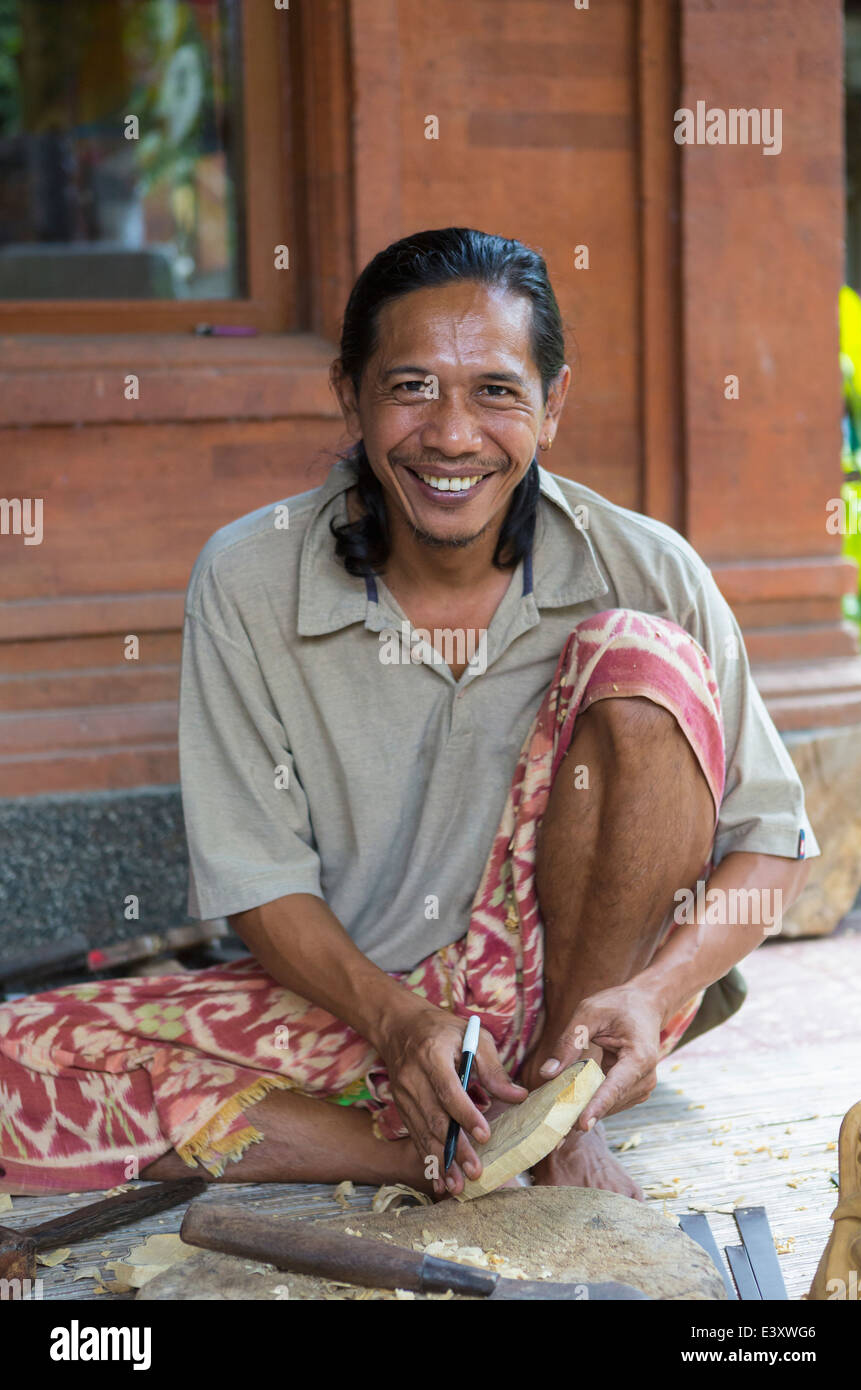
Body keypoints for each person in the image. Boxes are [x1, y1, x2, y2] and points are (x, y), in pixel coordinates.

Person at [0, 229, 817, 1199]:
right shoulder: (247, 579)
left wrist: (642, 995)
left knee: (639, 657)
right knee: (15, 1057)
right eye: (412, 387)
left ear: (552, 403)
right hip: (362, 1016)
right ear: (350, 393)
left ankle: (556, 1112)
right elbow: (260, 885)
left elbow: (771, 844)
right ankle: (447, 1151)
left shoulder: (643, 562)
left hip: (584, 1007)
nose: (453, 435)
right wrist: (397, 1023)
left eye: (496, 392)